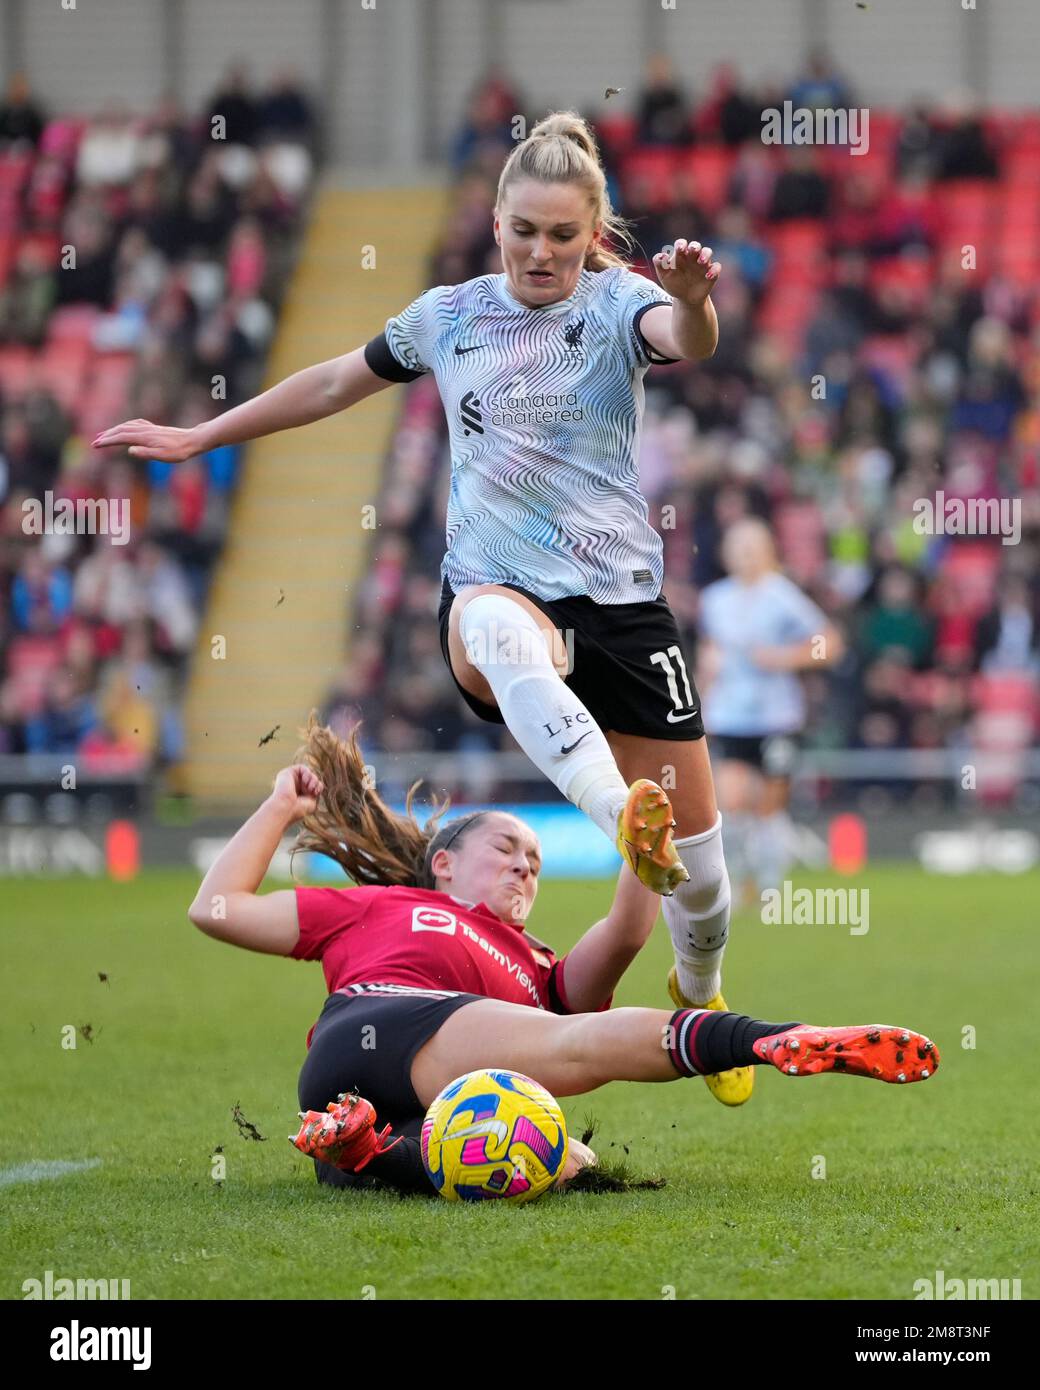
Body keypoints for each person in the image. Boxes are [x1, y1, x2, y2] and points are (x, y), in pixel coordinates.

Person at [96, 108, 745, 1105]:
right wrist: (200, 438)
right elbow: (327, 382)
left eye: (562, 235)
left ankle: (696, 988)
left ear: (592, 233)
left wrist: (695, 301)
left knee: (703, 888)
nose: (540, 251)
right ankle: (621, 816)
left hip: (620, 607)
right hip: (494, 584)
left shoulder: (621, 305)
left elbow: (684, 335)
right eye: (523, 230)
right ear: (495, 222)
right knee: (495, 632)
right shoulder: (447, 317)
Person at [187, 717, 939, 1197]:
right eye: (507, 848)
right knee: (573, 1052)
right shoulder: (381, 906)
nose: (525, 867)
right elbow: (214, 909)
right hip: (384, 1019)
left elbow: (621, 934)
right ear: (442, 865)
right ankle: (770, 1039)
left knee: (551, 1162)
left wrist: (643, 859)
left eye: (537, 861)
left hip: (348, 1090)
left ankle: (364, 1149)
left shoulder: (536, 964)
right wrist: (282, 804)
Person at [697, 519, 845, 903]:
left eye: (752, 547)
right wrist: (703, 696)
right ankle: (738, 882)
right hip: (729, 716)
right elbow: (710, 654)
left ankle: (770, 887)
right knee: (730, 802)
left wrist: (784, 658)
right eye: (737, 547)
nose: (744, 555)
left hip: (776, 717)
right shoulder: (715, 599)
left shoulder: (782, 595)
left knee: (769, 807)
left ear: (768, 551)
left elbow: (828, 644)